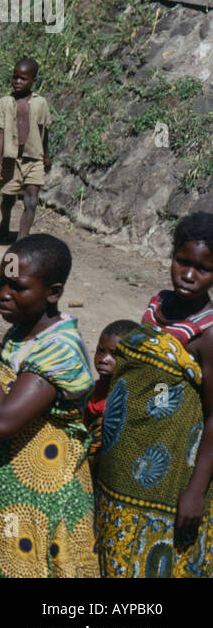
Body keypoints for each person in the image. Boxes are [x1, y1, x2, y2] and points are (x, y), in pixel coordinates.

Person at [0, 234, 96, 577]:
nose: (4, 294)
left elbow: (3, 422)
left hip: (41, 504)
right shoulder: (22, 330)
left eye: (18, 287)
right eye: (1, 282)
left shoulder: (58, 349)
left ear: (53, 292)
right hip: (5, 504)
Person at [96, 213, 213, 578]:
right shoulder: (156, 306)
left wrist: (195, 493)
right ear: (172, 255)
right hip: (120, 467)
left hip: (168, 485)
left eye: (203, 268)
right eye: (183, 261)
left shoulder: (207, 334)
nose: (189, 275)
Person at [0, 58, 52, 242]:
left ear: (33, 81)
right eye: (15, 77)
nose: (18, 82)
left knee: (31, 201)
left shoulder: (40, 103)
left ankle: (22, 240)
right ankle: (5, 221)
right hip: (11, 160)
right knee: (8, 199)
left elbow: (45, 130)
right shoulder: (5, 102)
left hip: (34, 159)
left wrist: (47, 156)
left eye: (23, 79)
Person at [84, 319, 140, 471]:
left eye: (115, 355)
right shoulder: (92, 391)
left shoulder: (136, 398)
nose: (103, 360)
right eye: (100, 351)